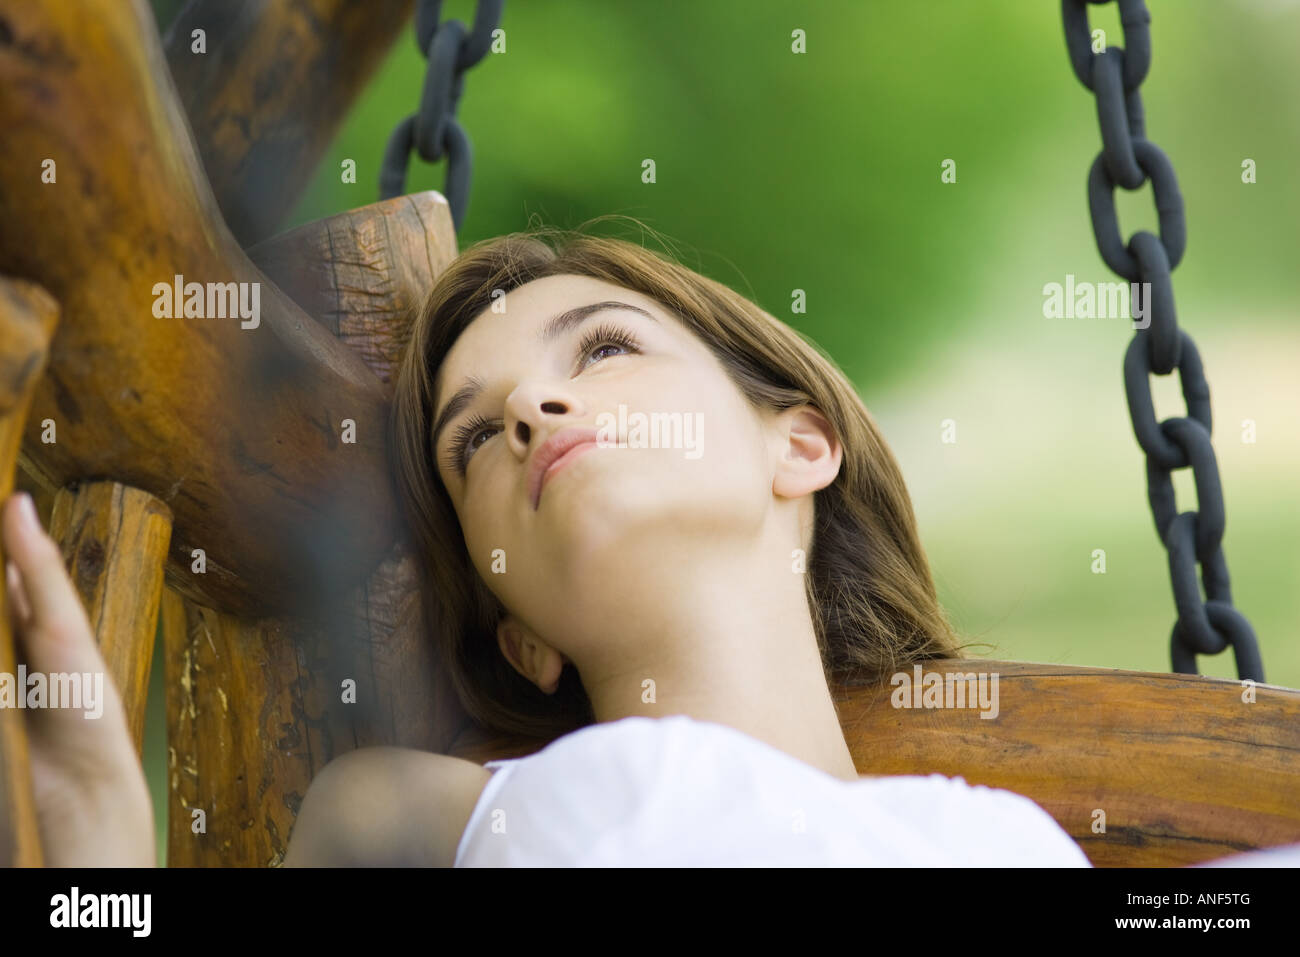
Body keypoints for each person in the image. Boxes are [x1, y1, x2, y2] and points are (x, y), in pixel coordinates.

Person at [2, 220, 1294, 867]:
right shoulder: (407, 815)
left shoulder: (995, 843)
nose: (527, 408)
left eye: (604, 349)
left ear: (799, 443)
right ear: (518, 628)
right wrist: (101, 845)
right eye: (470, 443)